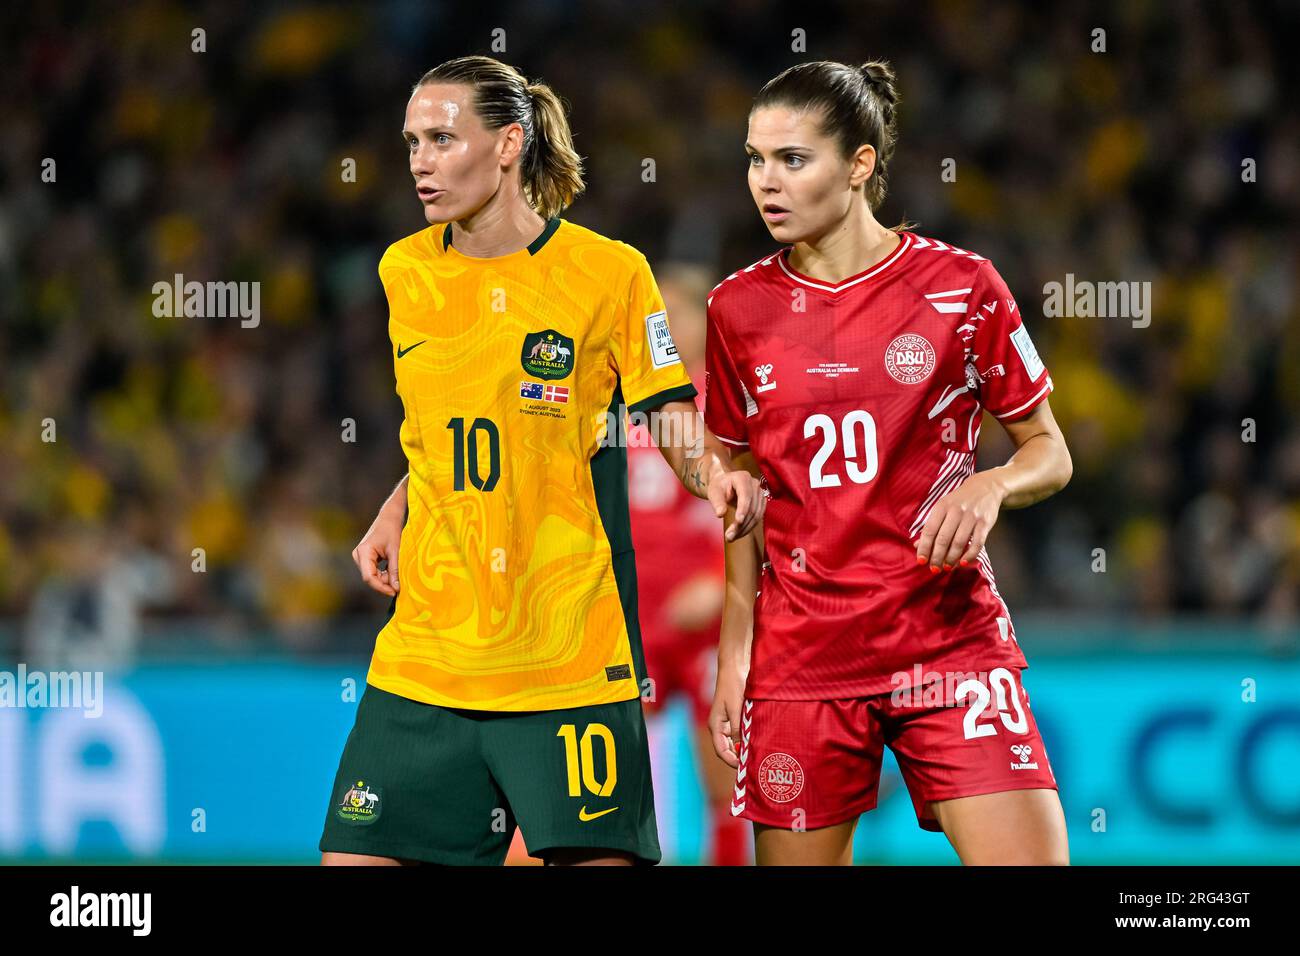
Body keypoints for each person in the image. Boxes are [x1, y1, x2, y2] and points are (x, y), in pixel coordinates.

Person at [319, 55, 763, 866]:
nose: (420, 159)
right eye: (412, 140)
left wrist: (713, 477)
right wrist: (398, 506)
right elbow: (445, 428)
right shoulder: (403, 271)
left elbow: (667, 412)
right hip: (428, 650)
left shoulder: (611, 274)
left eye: (444, 138)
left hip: (567, 655)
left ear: (508, 144)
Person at [706, 59, 1073, 865]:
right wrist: (735, 655)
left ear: (860, 165)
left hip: (947, 642)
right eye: (754, 159)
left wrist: (995, 482)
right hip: (803, 659)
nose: (765, 182)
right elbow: (742, 496)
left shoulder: (961, 287)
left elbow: (1050, 451)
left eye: (792, 160)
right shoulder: (735, 309)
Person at [627, 264, 750, 866]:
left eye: (680, 315)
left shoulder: (728, 404)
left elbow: (760, 500)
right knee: (617, 785)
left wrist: (724, 583)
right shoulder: (625, 401)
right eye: (660, 318)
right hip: (633, 621)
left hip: (705, 619)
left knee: (724, 781)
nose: (669, 329)